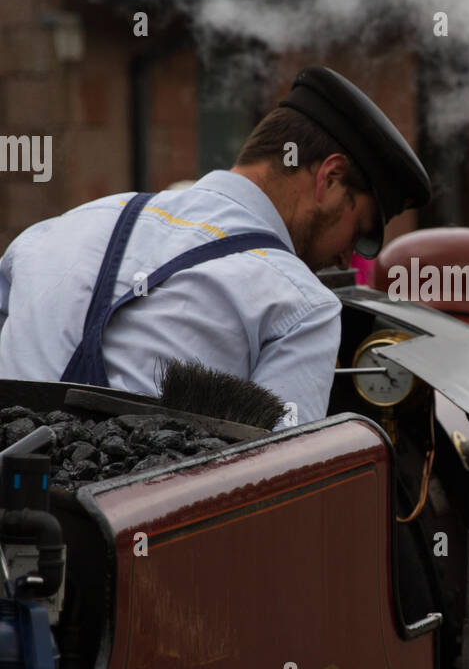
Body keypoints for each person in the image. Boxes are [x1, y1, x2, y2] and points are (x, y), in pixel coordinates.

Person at [0, 66, 430, 428]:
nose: (344, 257)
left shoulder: (51, 232)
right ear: (330, 179)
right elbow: (281, 485)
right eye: (359, 230)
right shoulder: (304, 307)